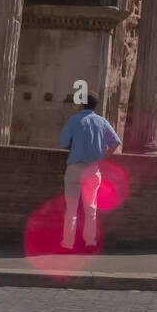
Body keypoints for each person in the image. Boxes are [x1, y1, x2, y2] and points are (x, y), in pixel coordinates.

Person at [58, 93, 121, 251]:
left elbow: (64, 142)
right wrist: (103, 157)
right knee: (91, 209)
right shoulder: (102, 121)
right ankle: (90, 242)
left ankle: (68, 243)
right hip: (93, 169)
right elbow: (115, 142)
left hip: (74, 167)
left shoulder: (74, 120)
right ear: (95, 105)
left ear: (81, 104)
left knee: (71, 209)